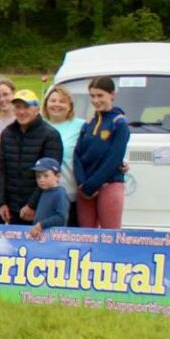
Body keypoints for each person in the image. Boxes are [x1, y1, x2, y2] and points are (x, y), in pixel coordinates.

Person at [0, 89, 63, 225]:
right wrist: (1, 202)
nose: (21, 112)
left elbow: (50, 174)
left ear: (37, 109)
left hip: (42, 206)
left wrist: (32, 205)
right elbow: (2, 170)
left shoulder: (50, 135)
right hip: (13, 207)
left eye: (26, 107)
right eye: (17, 107)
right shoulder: (7, 134)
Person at [74, 77, 130, 229]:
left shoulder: (119, 123)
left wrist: (93, 184)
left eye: (100, 95)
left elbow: (114, 158)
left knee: (109, 235)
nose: (96, 100)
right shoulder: (88, 123)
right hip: (85, 188)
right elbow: (77, 153)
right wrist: (82, 183)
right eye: (92, 96)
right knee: (85, 235)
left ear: (112, 95)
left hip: (109, 184)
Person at [43, 86, 86, 210]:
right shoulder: (39, 126)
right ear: (46, 104)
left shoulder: (81, 126)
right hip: (43, 194)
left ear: (70, 106)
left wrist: (122, 162)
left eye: (62, 101)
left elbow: (97, 149)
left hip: (71, 193)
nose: (57, 104)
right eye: (53, 101)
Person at [27, 157, 71, 239]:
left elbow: (61, 218)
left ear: (57, 176)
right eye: (38, 176)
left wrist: (41, 225)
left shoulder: (60, 193)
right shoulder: (44, 192)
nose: (41, 180)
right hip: (41, 238)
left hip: (54, 239)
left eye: (46, 176)